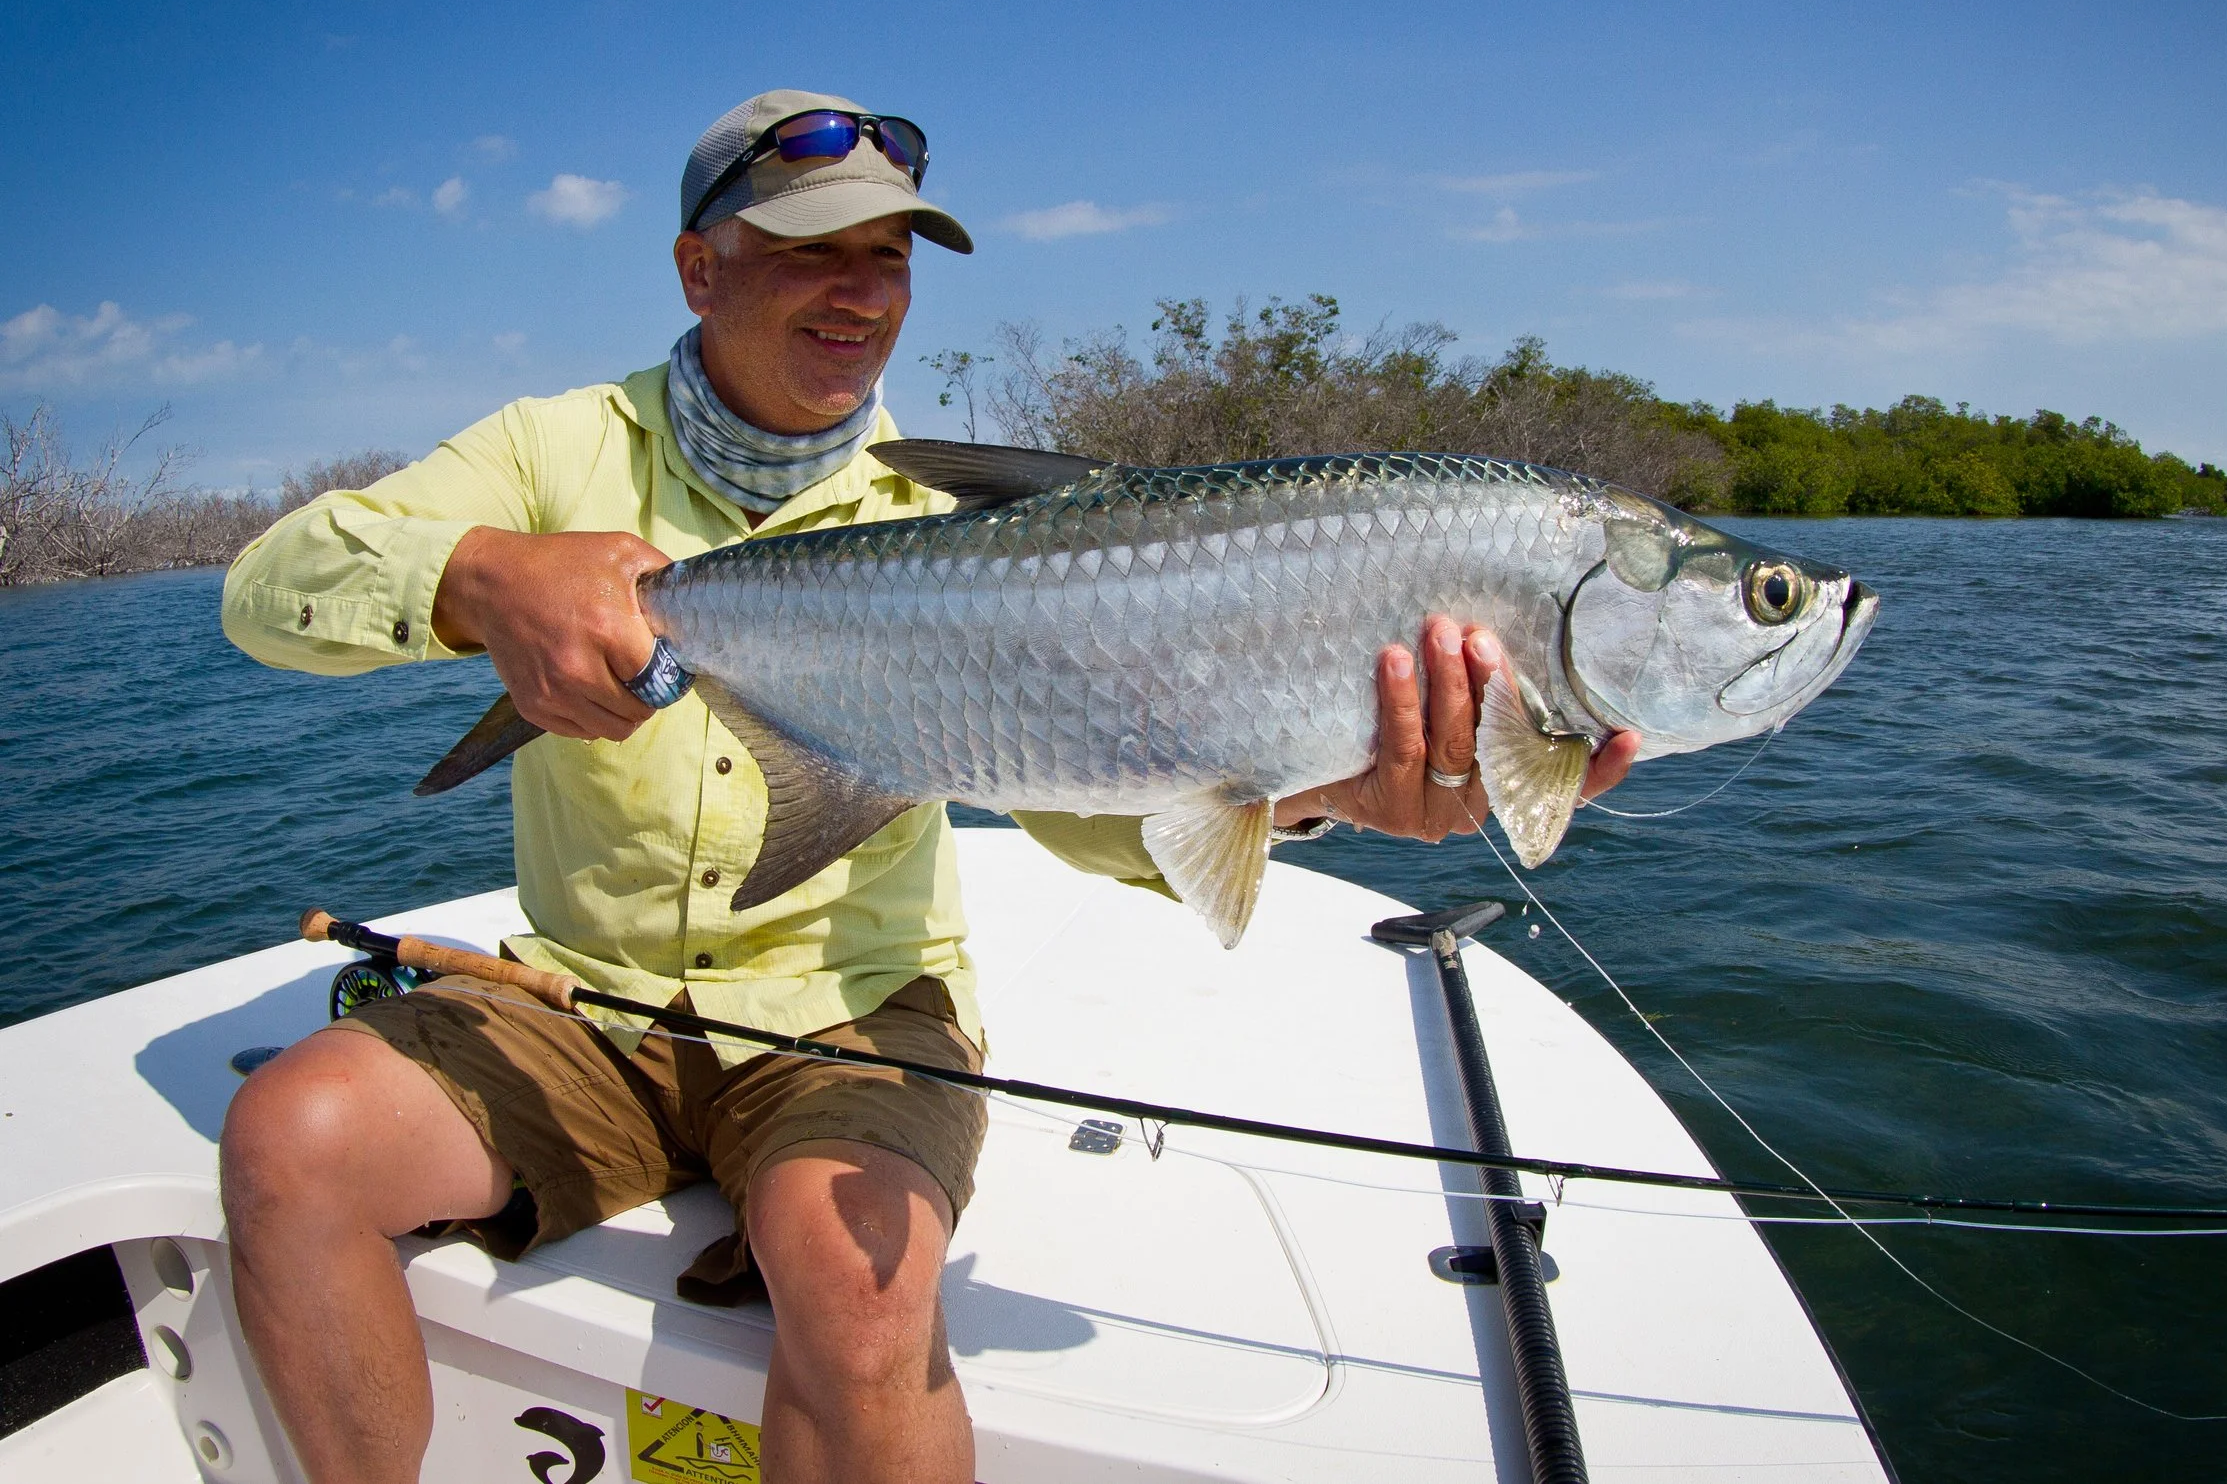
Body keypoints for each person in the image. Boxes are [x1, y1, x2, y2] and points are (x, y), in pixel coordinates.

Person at [216, 89, 1638, 1484]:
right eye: (809, 250)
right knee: (292, 1142)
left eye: (887, 256)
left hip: (855, 1011)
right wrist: (478, 575)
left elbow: (1087, 798)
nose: (860, 292)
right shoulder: (551, 452)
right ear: (696, 267)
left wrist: (1322, 796)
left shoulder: (939, 512)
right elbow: (266, 589)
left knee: (861, 1286)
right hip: (585, 998)